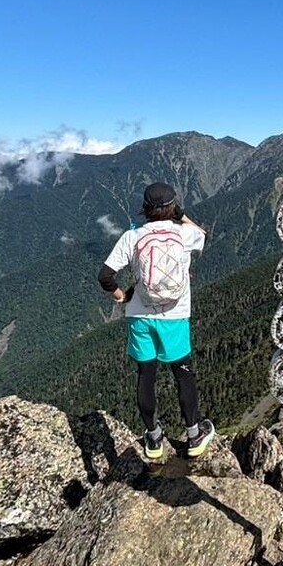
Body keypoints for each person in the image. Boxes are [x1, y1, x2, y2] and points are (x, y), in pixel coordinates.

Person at [97, 181, 215, 461]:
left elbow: (105, 277)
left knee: (146, 377)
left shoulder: (132, 237)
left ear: (145, 209)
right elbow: (203, 235)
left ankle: (153, 439)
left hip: (140, 315)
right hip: (175, 315)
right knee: (183, 375)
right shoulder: (184, 234)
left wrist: (122, 297)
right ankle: (194, 435)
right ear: (172, 206)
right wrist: (180, 215)